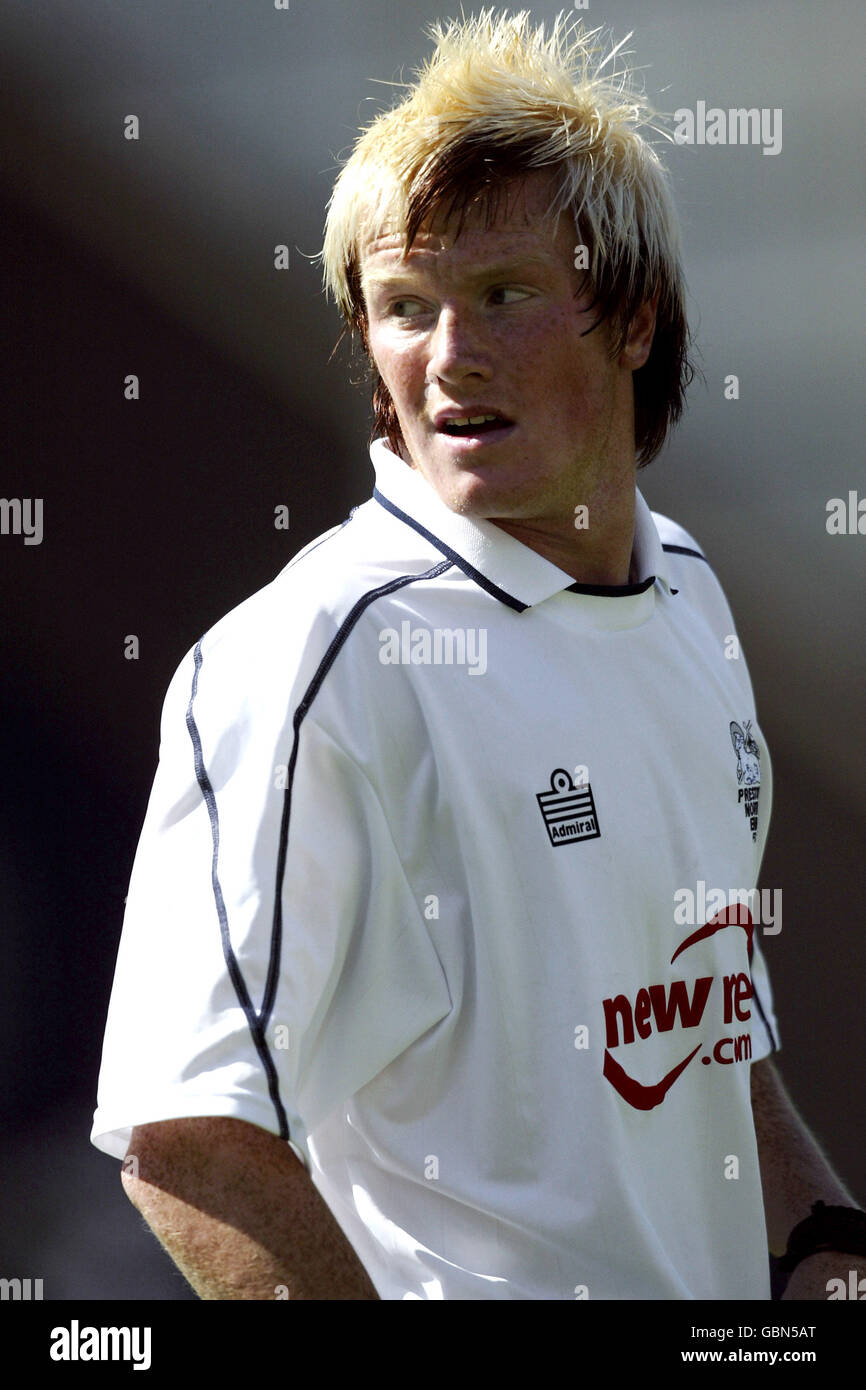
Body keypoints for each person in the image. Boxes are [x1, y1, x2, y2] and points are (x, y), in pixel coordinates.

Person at [91, 10, 864, 1300]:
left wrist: (824, 1246)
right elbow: (190, 1138)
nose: (448, 357)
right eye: (405, 308)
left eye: (503, 295)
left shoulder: (691, 597)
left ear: (633, 320)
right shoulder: (314, 659)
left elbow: (701, 1020)